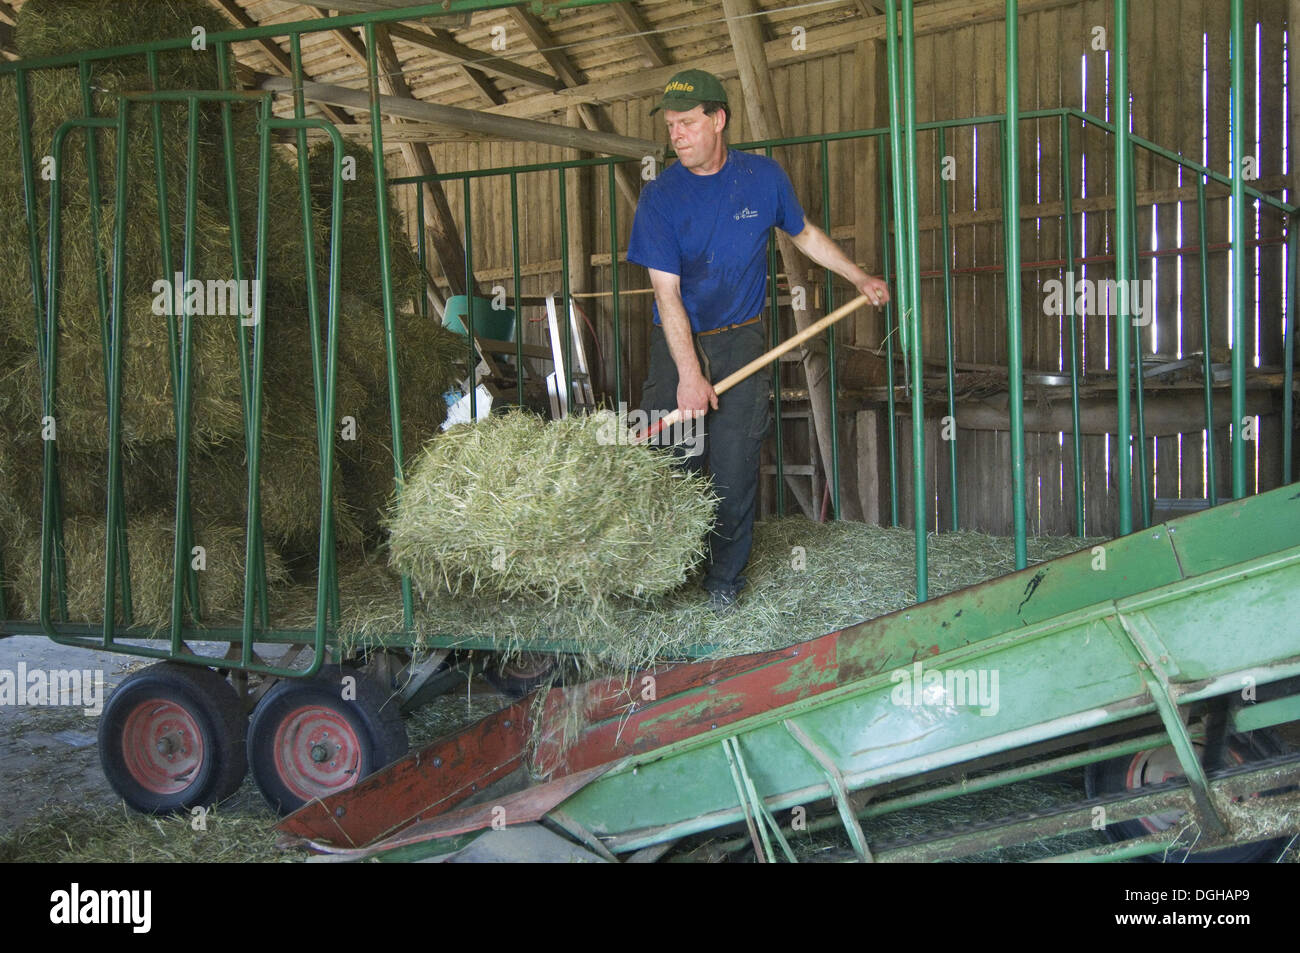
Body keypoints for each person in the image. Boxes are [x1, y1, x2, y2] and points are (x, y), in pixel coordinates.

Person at [627, 69, 889, 611]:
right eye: (671, 126)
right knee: (674, 464)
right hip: (679, 343)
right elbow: (666, 296)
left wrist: (858, 277)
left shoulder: (763, 177)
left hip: (744, 341)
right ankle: (668, 584)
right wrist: (690, 376)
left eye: (687, 123)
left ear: (718, 120)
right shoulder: (660, 198)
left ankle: (723, 585)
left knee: (735, 465)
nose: (676, 134)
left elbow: (805, 234)